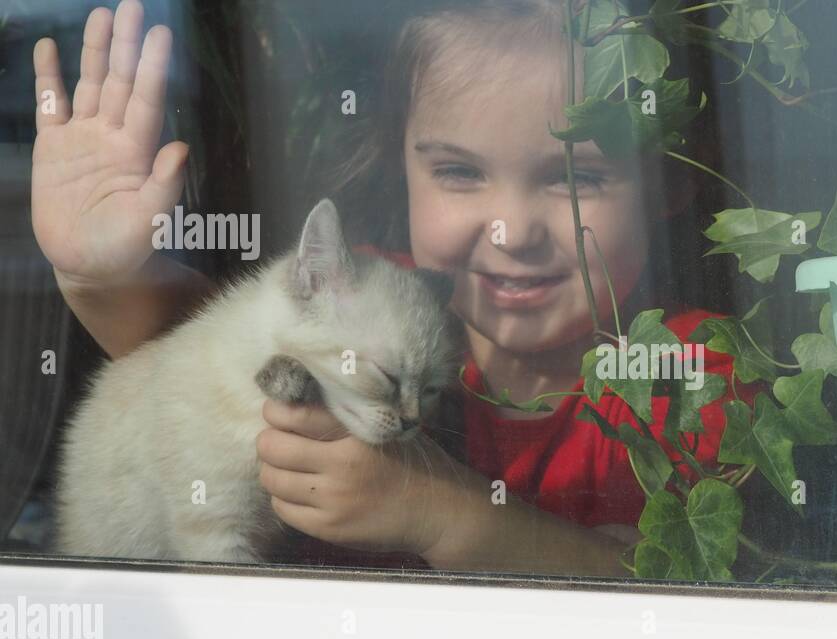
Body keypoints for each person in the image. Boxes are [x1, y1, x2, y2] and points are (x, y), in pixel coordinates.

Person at [30, 0, 749, 577]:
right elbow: (183, 355)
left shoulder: (690, 376)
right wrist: (99, 273)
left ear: (672, 184)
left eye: (577, 177)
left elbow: (681, 596)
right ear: (398, 163)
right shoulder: (384, 304)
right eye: (461, 172)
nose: (512, 232)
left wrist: (443, 513)